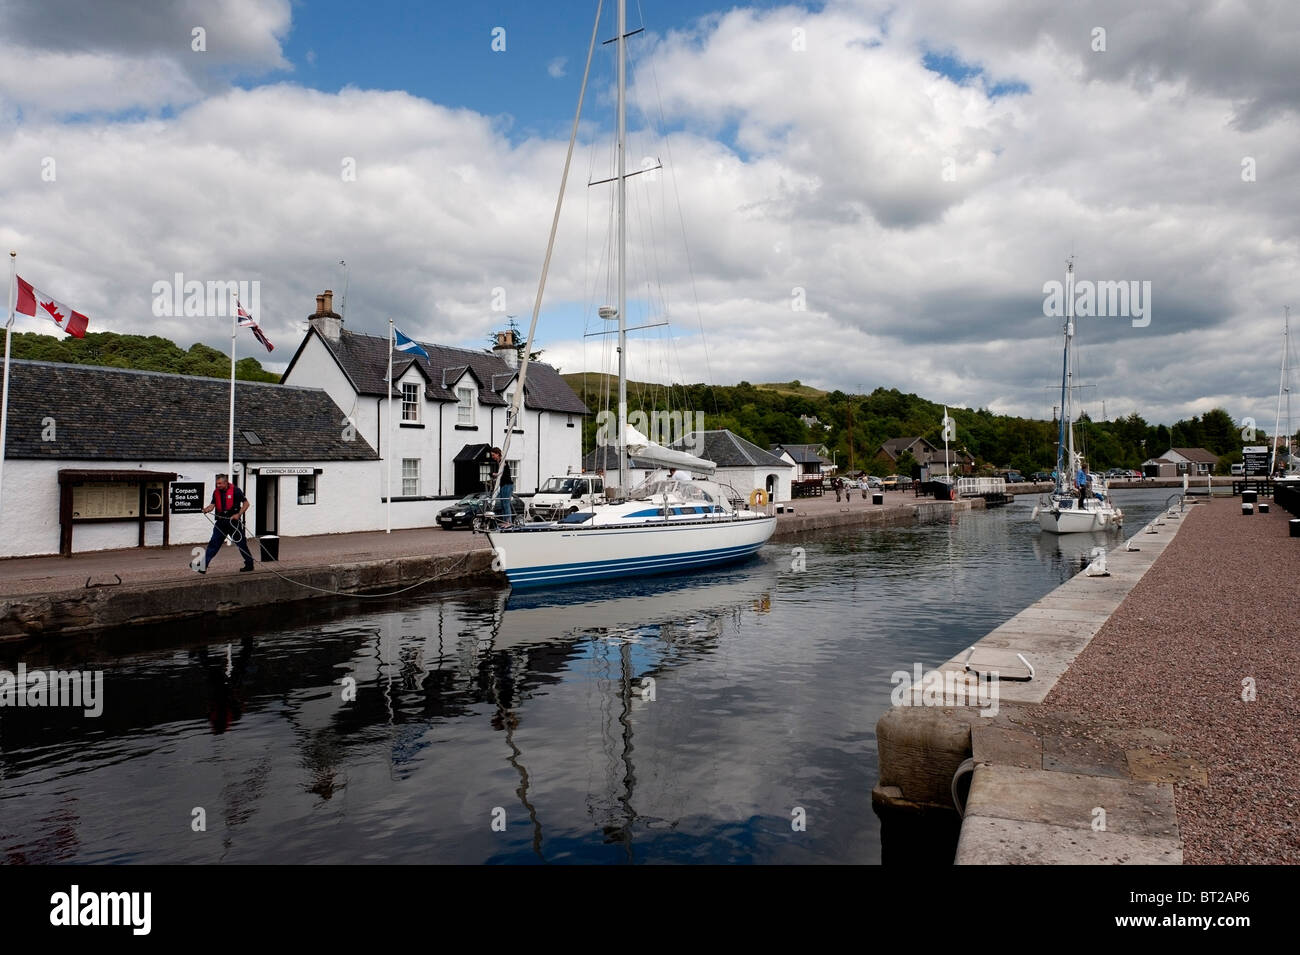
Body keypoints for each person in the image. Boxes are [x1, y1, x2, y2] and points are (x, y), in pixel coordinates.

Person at [199, 473, 255, 573]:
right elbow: (212, 505)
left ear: (225, 482)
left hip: (233, 522)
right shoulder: (216, 492)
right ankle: (203, 566)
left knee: (241, 544)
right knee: (214, 543)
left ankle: (249, 564)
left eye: (220, 483)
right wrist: (206, 509)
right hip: (221, 522)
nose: (218, 485)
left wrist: (238, 514)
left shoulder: (236, 491)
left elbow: (246, 504)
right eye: (217, 484)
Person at [489, 447, 513, 519]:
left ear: (497, 454)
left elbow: (502, 473)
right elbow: (501, 474)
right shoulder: (499, 462)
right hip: (502, 485)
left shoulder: (503, 462)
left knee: (506, 504)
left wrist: (496, 474)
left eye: (493, 455)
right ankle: (505, 521)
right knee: (502, 504)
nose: (492, 457)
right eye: (492, 455)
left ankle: (508, 522)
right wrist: (496, 476)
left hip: (507, 485)